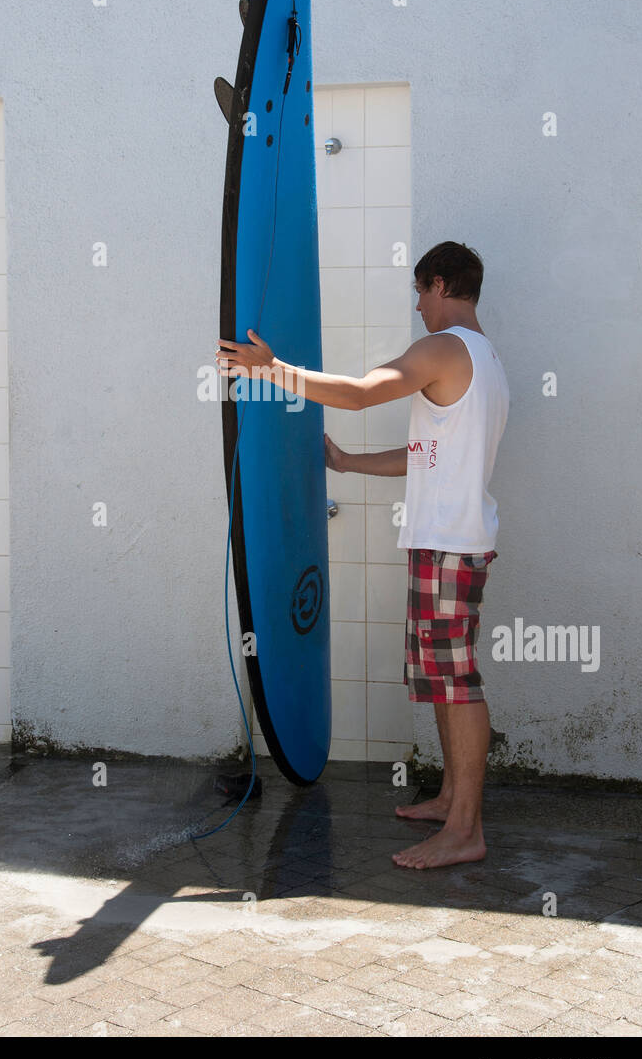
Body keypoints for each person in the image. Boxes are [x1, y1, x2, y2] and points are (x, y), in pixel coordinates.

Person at [216, 240, 510, 870]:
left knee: (456, 683)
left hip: (448, 546)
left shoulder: (444, 346)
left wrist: (272, 369)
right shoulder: (486, 361)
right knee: (443, 678)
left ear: (438, 283)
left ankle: (465, 830)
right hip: (454, 542)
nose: (417, 307)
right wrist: (348, 462)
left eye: (419, 293)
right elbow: (425, 458)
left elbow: (358, 393)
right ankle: (453, 800)